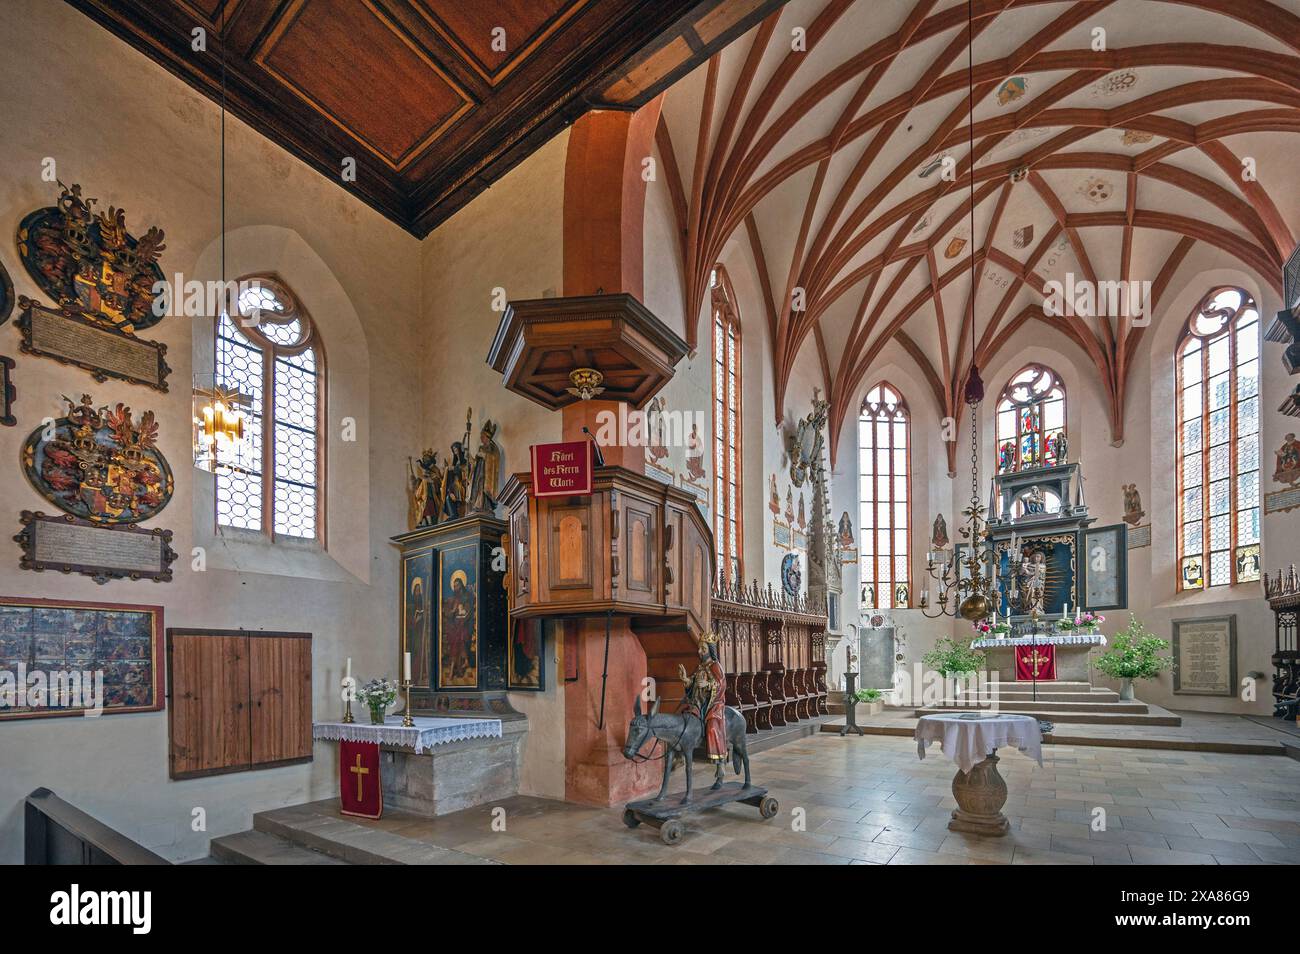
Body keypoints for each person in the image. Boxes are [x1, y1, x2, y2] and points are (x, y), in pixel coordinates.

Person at [678, 632, 727, 788]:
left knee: (713, 727)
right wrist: (686, 680)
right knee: (682, 716)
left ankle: (720, 766)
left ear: (710, 649)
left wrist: (708, 685)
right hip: (697, 702)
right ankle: (680, 753)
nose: (699, 651)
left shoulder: (715, 666)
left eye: (703, 648)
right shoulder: (700, 667)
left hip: (713, 704)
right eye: (699, 648)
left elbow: (722, 685)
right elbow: (693, 683)